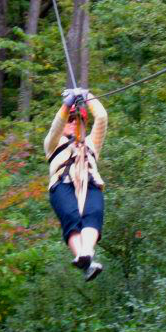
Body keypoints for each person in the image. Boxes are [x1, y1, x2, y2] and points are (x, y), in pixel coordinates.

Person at [44, 87, 108, 281]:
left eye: (77, 120)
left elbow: (102, 118)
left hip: (90, 184)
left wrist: (88, 97)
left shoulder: (91, 144)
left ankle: (86, 254)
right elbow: (56, 126)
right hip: (62, 185)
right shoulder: (52, 144)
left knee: (94, 214)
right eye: (70, 120)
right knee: (72, 217)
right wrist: (67, 105)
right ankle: (80, 254)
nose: (74, 124)